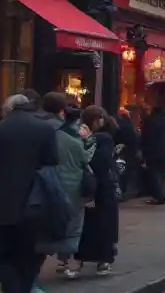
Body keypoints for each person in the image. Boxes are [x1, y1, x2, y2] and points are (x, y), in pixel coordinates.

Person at [0, 93, 59, 293]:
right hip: (34, 203)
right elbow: (51, 161)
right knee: (25, 256)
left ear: (9, 109)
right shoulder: (45, 130)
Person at [36, 93, 92, 279]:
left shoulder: (43, 131)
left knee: (46, 223)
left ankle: (38, 262)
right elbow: (85, 159)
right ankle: (64, 261)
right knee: (73, 225)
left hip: (48, 184)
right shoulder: (74, 139)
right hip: (72, 186)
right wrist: (90, 141)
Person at [74, 107, 119, 274]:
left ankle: (97, 259)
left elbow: (99, 161)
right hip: (98, 185)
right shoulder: (99, 138)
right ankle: (99, 259)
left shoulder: (101, 138)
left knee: (94, 223)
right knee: (97, 223)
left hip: (94, 185)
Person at [139, 105, 165, 205]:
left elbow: (146, 135)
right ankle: (161, 192)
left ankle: (159, 196)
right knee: (161, 171)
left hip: (153, 149)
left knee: (154, 172)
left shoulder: (151, 120)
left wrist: (143, 149)